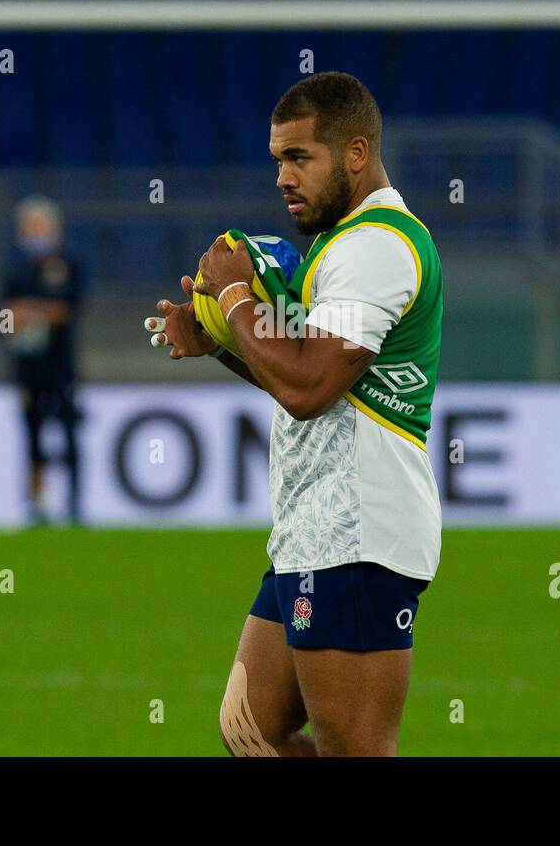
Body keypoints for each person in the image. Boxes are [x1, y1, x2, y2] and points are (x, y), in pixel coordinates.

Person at [149, 72, 444, 756]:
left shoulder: (377, 247)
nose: (283, 177)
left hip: (362, 533)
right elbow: (309, 385)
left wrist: (235, 303)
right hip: (314, 531)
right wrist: (219, 347)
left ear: (355, 153)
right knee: (247, 731)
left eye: (299, 158)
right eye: (278, 159)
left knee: (356, 748)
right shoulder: (340, 247)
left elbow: (309, 388)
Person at [0, 197, 84, 525]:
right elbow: (1, 317)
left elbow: (67, 310)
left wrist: (28, 311)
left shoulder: (68, 265)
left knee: (68, 432)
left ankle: (75, 503)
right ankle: (36, 503)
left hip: (60, 366)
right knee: (32, 435)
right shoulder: (15, 268)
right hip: (26, 367)